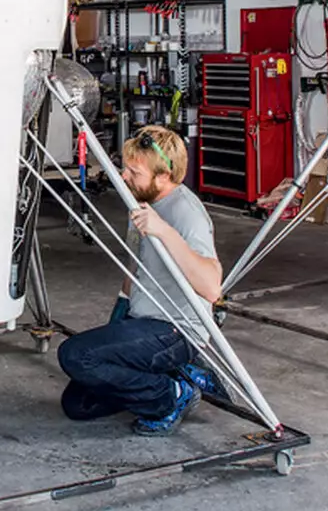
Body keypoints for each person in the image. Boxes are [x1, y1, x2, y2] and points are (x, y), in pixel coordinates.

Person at [57, 126, 228, 437]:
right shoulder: (143, 201)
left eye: (134, 171)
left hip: (174, 330)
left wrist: (164, 231)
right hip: (143, 320)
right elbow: (135, 266)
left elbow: (212, 287)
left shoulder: (186, 214)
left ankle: (170, 395)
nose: (124, 177)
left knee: (75, 355)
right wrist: (119, 314)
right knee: (77, 404)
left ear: (163, 177)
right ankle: (173, 374)